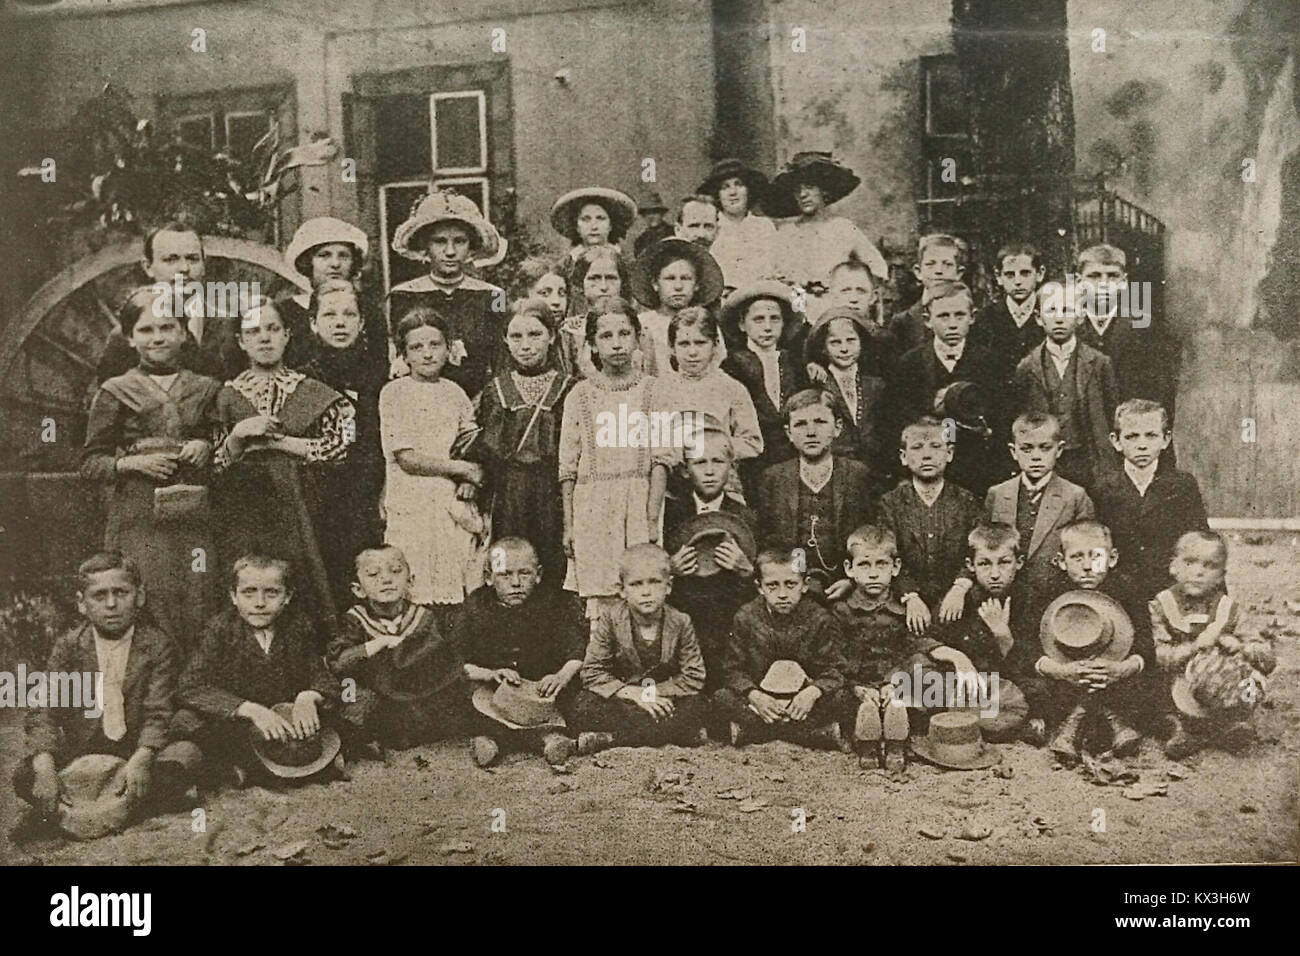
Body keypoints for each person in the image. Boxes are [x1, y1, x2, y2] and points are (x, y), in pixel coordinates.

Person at [15, 553, 200, 832]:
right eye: (99, 596)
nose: (111, 604)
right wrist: (44, 764)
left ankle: (102, 804)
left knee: (186, 757)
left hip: (137, 745)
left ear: (139, 596)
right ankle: (126, 802)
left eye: (121, 593)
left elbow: (158, 711)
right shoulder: (69, 647)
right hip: (87, 749)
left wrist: (143, 755)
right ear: (82, 603)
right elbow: (44, 708)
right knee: (25, 775)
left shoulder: (157, 645)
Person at [81, 285, 221, 653]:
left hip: (193, 519)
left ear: (183, 332)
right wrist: (132, 463)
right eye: (145, 330)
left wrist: (205, 446)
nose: (157, 338)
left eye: (167, 327)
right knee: (147, 598)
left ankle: (193, 696)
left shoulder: (207, 388)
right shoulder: (115, 391)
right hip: (138, 519)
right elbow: (90, 463)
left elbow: (223, 445)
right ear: (129, 337)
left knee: (197, 597)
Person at [211, 297, 355, 641]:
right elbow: (215, 462)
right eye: (253, 331)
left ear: (288, 335)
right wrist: (237, 435)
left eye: (273, 329)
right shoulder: (225, 397)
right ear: (240, 341)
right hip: (244, 511)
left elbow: (340, 447)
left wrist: (277, 443)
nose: (264, 338)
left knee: (303, 580)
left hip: (302, 506)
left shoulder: (313, 391)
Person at [174, 555, 348, 786]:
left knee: (357, 699)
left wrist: (309, 696)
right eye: (249, 592)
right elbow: (190, 686)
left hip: (287, 721)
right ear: (233, 596)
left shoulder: (297, 627)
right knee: (184, 720)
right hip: (242, 724)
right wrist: (247, 709)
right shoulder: (219, 630)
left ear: (287, 596)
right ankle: (243, 766)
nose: (259, 603)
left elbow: (320, 674)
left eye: (272, 593)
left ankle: (282, 765)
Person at [559, 296, 673, 619]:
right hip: (592, 506)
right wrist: (569, 524)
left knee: (642, 590)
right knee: (602, 598)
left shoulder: (654, 391)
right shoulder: (579, 395)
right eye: (606, 337)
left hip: (639, 503)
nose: (617, 344)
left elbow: (661, 460)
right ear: (593, 345)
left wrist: (651, 519)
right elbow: (567, 468)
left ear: (637, 337)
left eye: (624, 334)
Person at [379, 309, 484, 613]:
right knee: (414, 581)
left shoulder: (456, 393)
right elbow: (407, 458)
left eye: (435, 345)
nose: (427, 354)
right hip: (411, 497)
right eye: (416, 347)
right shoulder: (394, 393)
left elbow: (471, 444)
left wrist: (469, 480)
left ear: (448, 348)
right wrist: (461, 469)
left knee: (454, 579)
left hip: (449, 502)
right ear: (404, 354)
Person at [456, 537, 589, 766]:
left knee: (576, 702)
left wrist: (560, 676)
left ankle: (547, 738)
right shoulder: (476, 606)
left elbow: (577, 650)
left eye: (524, 574)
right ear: (488, 577)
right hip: (495, 692)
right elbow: (458, 658)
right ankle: (491, 738)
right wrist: (490, 673)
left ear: (538, 574)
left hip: (541, 691)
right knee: (468, 697)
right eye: (505, 575)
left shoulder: (552, 603)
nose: (515, 582)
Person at [473, 298, 576, 589]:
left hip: (552, 491)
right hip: (510, 493)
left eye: (535, 335)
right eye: (516, 336)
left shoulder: (569, 388)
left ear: (552, 336)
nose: (526, 345)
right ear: (505, 339)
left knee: (552, 562)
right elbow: (488, 450)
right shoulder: (496, 390)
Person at [1031, 521, 1154, 764]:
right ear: (1061, 561)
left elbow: (1145, 645)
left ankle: (1077, 725)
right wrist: (1061, 670)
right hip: (1066, 675)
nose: (1087, 566)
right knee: (1037, 688)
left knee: (1147, 685)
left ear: (1113, 558)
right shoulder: (1048, 590)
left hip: (1114, 674)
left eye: (1096, 556)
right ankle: (1105, 721)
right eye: (1077, 557)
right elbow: (1027, 647)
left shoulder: (1127, 590)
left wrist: (1122, 669)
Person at [298, 279, 388, 610]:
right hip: (319, 492)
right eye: (330, 314)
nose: (340, 322)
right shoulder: (302, 378)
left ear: (362, 322)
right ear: (313, 322)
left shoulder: (379, 375)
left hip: (366, 491)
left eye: (349, 314)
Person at [326, 545, 468, 751]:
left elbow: (435, 658)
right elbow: (339, 662)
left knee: (453, 695)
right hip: (372, 688)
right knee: (352, 696)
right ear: (358, 589)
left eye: (395, 571)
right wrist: (378, 643)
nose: (386, 579)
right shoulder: (354, 620)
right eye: (373, 574)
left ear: (410, 581)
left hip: (411, 688)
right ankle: (353, 743)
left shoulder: (423, 617)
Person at [572, 544, 708, 752]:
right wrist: (634, 694)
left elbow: (694, 676)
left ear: (668, 586)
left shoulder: (680, 621)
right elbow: (592, 671)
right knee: (584, 704)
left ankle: (612, 739)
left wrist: (653, 694)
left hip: (663, 697)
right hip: (626, 697)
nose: (646, 592)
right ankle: (677, 734)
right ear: (622, 590)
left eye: (654, 582)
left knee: (697, 704)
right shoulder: (611, 618)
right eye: (636, 584)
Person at [713, 545, 851, 749]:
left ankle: (755, 733)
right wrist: (755, 696)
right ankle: (812, 735)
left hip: (803, 703)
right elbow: (732, 669)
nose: (782, 594)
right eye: (772, 586)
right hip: (763, 703)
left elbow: (835, 669)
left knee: (842, 698)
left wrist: (812, 692)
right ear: (759, 587)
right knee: (721, 698)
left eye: (790, 584)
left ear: (805, 585)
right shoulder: (746, 617)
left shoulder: (819, 618)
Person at [1154, 532, 1275, 759]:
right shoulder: (1161, 606)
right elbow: (1158, 655)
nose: (1198, 572)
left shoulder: (1228, 609)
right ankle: (1185, 730)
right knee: (1155, 698)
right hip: (1177, 686)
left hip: (1222, 689)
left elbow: (1266, 657)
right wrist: (1193, 647)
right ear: (1173, 567)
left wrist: (1241, 646)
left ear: (1221, 576)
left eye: (1210, 566)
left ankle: (1226, 725)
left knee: (1248, 681)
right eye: (1189, 562)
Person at [831, 525, 936, 768]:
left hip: (895, 683)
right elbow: (835, 657)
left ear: (895, 567)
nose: (873, 573)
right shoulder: (840, 611)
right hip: (858, 685)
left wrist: (895, 682)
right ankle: (866, 743)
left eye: (881, 564)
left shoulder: (906, 612)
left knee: (925, 674)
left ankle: (896, 743)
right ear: (849, 569)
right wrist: (857, 687)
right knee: (837, 693)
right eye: (864, 565)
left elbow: (914, 649)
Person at [884, 280, 1001, 496]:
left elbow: (999, 415)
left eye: (959, 315)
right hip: (925, 469)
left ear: (972, 317)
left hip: (976, 469)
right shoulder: (909, 364)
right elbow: (897, 418)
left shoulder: (991, 363)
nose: (952, 323)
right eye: (943, 316)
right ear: (928, 320)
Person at [387, 190, 507, 398]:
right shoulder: (403, 295)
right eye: (440, 241)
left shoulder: (494, 296)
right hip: (422, 399)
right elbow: (399, 358)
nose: (450, 252)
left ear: (471, 246)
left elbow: (501, 359)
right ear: (425, 245)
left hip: (482, 399)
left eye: (460, 241)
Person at [756, 389, 874, 599]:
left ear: (837, 428)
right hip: (790, 589)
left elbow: (869, 537)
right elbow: (766, 542)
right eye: (800, 424)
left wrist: (851, 580)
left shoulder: (857, 474)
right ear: (789, 433)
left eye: (820, 422)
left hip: (846, 586)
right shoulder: (773, 478)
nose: (811, 432)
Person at [664, 428, 757, 690]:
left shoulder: (748, 517)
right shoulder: (669, 514)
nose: (709, 471)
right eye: (699, 462)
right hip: (682, 614)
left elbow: (765, 578)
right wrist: (669, 570)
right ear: (685, 469)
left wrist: (746, 569)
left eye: (717, 461)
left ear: (732, 466)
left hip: (727, 617)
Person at [1091, 399, 1208, 607]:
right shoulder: (1102, 489)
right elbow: (1097, 546)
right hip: (1119, 593)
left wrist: (1213, 601)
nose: (1142, 445)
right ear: (1116, 441)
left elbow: (1201, 544)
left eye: (1151, 435)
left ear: (1165, 439)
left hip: (1171, 592)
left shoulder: (1182, 486)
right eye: (1132, 436)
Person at [95, 221, 244, 384]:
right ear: (148, 267)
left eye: (193, 259)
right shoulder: (126, 337)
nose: (184, 268)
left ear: (204, 265)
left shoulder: (230, 327)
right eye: (170, 260)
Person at [876, 416, 982, 635]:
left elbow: (976, 551)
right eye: (917, 448)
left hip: (956, 600)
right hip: (906, 602)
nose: (926, 455)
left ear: (949, 453)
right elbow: (887, 555)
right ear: (904, 457)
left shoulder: (965, 500)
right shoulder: (891, 503)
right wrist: (910, 596)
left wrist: (960, 587)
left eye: (936, 446)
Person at [1013, 281, 1118, 490]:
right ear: (1038, 318)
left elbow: (1111, 411)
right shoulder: (1027, 367)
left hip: (1089, 458)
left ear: (1080, 317)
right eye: (1051, 311)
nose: (1059, 318)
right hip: (1046, 459)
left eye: (1067, 310)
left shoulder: (1099, 362)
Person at [984, 412, 1095, 601]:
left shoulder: (1075, 496)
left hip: (1055, 593)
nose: (1036, 457)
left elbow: (1086, 551)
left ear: (1059, 450)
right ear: (1013, 451)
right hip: (1006, 594)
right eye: (1027, 449)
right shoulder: (998, 494)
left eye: (1045, 448)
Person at [654, 306, 761, 500]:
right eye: (684, 344)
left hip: (722, 485)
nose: (692, 352)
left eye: (700, 343)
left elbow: (753, 443)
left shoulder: (732, 388)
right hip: (673, 488)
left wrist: (713, 448)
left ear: (715, 344)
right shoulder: (660, 390)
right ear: (671, 347)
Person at [719, 280, 808, 497]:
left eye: (774, 319)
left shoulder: (795, 363)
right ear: (742, 324)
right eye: (758, 319)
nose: (767, 327)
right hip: (753, 462)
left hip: (793, 458)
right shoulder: (732, 365)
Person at [1075, 243, 1178, 426]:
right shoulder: (1071, 329)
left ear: (1124, 282)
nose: (1103, 284)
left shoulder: (1145, 329)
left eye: (1112, 276)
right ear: (1079, 282)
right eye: (1094, 276)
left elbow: (1161, 394)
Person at [768, 151, 888, 299]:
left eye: (809, 187)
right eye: (797, 190)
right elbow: (772, 275)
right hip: (796, 306)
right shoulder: (785, 233)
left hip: (836, 307)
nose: (803, 195)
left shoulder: (842, 228)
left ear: (823, 191)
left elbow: (878, 268)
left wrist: (852, 290)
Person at [277, 216, 376, 370]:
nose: (335, 264)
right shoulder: (285, 312)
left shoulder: (369, 309)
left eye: (343, 256)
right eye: (324, 255)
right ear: (308, 261)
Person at [802, 305, 888, 465]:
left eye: (851, 340)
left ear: (861, 343)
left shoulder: (876, 385)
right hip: (835, 464)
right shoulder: (817, 383)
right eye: (835, 342)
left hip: (874, 465)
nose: (844, 349)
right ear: (823, 348)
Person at [630, 236, 725, 376]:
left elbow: (717, 362)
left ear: (697, 285)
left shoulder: (705, 321)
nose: (679, 287)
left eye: (686, 279)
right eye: (670, 278)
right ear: (655, 284)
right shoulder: (642, 323)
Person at [973, 241, 1047, 397]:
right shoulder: (985, 319)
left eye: (1025, 273)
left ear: (1039, 274)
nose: (1018, 281)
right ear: (998, 277)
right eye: (1010, 275)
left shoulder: (1050, 315)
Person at [698, 158, 778, 293]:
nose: (732, 192)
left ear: (748, 190)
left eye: (738, 184)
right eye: (725, 187)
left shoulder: (764, 226)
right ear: (717, 195)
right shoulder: (710, 228)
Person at [884, 233, 968, 358]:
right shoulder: (902, 322)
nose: (939, 271)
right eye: (930, 264)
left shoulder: (969, 317)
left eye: (947, 264)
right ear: (918, 272)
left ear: (959, 273)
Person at [562, 247, 636, 377]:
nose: (603, 287)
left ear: (622, 282)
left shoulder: (636, 327)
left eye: (611, 278)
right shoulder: (571, 331)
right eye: (594, 278)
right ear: (581, 283)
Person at [550, 186, 639, 264]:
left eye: (600, 218)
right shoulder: (565, 266)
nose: (594, 227)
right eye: (585, 219)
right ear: (576, 227)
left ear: (611, 225)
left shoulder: (625, 263)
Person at [632, 189, 674, 257]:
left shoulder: (673, 232)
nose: (651, 216)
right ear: (644, 216)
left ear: (662, 213)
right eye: (648, 213)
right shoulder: (640, 240)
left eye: (655, 212)